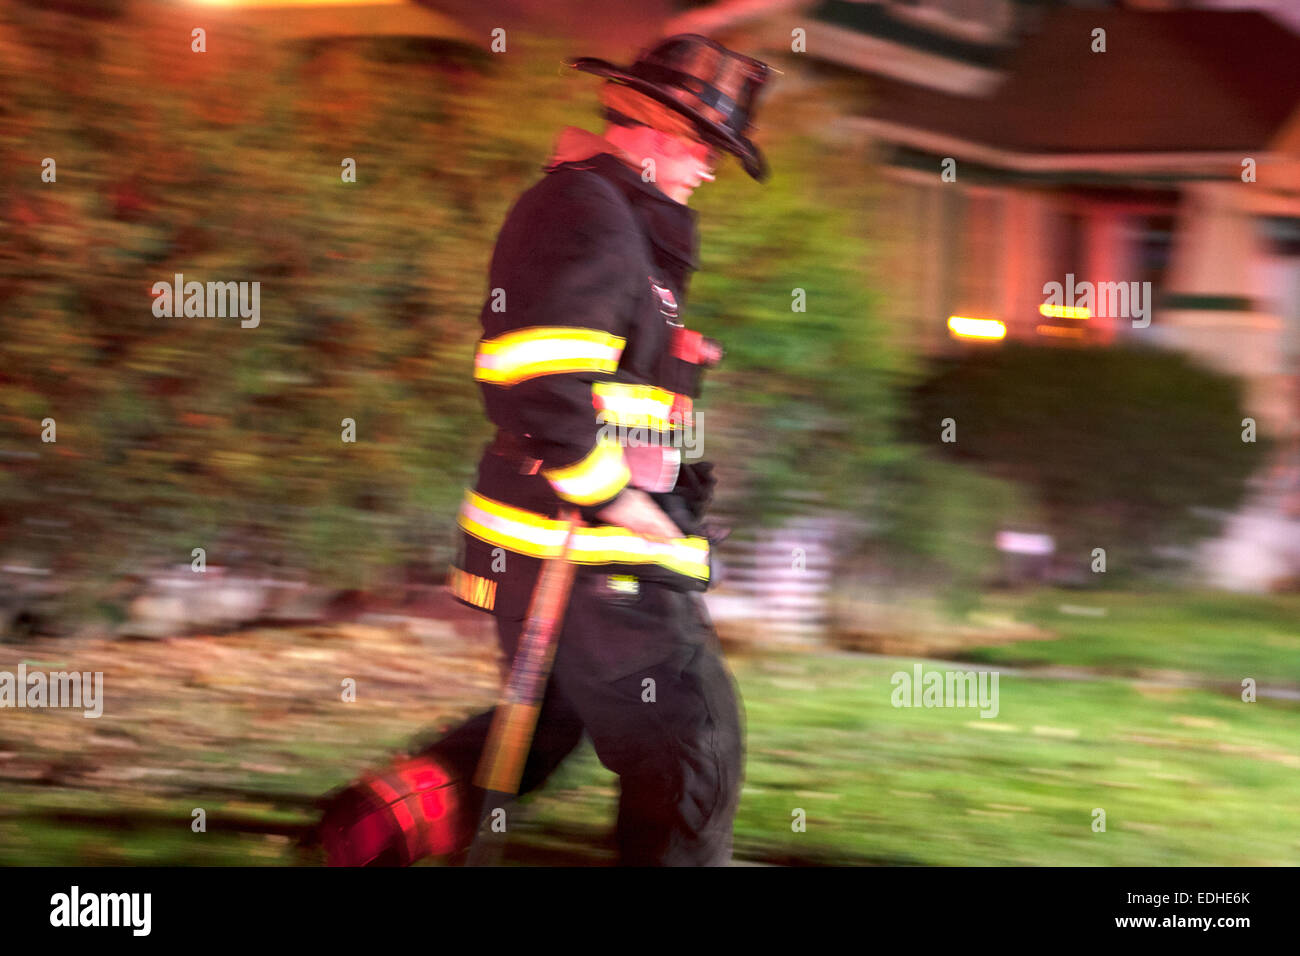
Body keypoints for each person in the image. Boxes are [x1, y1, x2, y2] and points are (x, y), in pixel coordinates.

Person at [318, 33, 774, 867]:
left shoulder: (617, 220)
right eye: (705, 145)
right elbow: (534, 377)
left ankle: (367, 834)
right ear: (654, 127)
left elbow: (596, 377)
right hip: (584, 543)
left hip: (557, 540)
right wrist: (626, 502)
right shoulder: (587, 212)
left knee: (548, 726)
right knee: (690, 741)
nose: (709, 169)